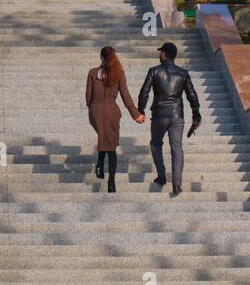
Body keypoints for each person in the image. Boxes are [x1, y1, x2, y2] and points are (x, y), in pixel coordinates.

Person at [137, 41, 202, 197]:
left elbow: (144, 92)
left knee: (155, 143)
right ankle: (177, 184)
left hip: (159, 115)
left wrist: (141, 110)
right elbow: (191, 94)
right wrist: (196, 113)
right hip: (176, 115)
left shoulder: (154, 71)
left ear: (165, 54)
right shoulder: (183, 73)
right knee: (176, 148)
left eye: (161, 52)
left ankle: (161, 175)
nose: (159, 54)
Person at [85, 46, 144, 193]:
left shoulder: (92, 73)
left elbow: (88, 96)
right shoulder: (119, 73)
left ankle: (99, 164)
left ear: (101, 57)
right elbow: (126, 96)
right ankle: (111, 182)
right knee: (110, 145)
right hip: (111, 110)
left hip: (95, 109)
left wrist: (93, 109)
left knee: (104, 138)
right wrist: (135, 114)